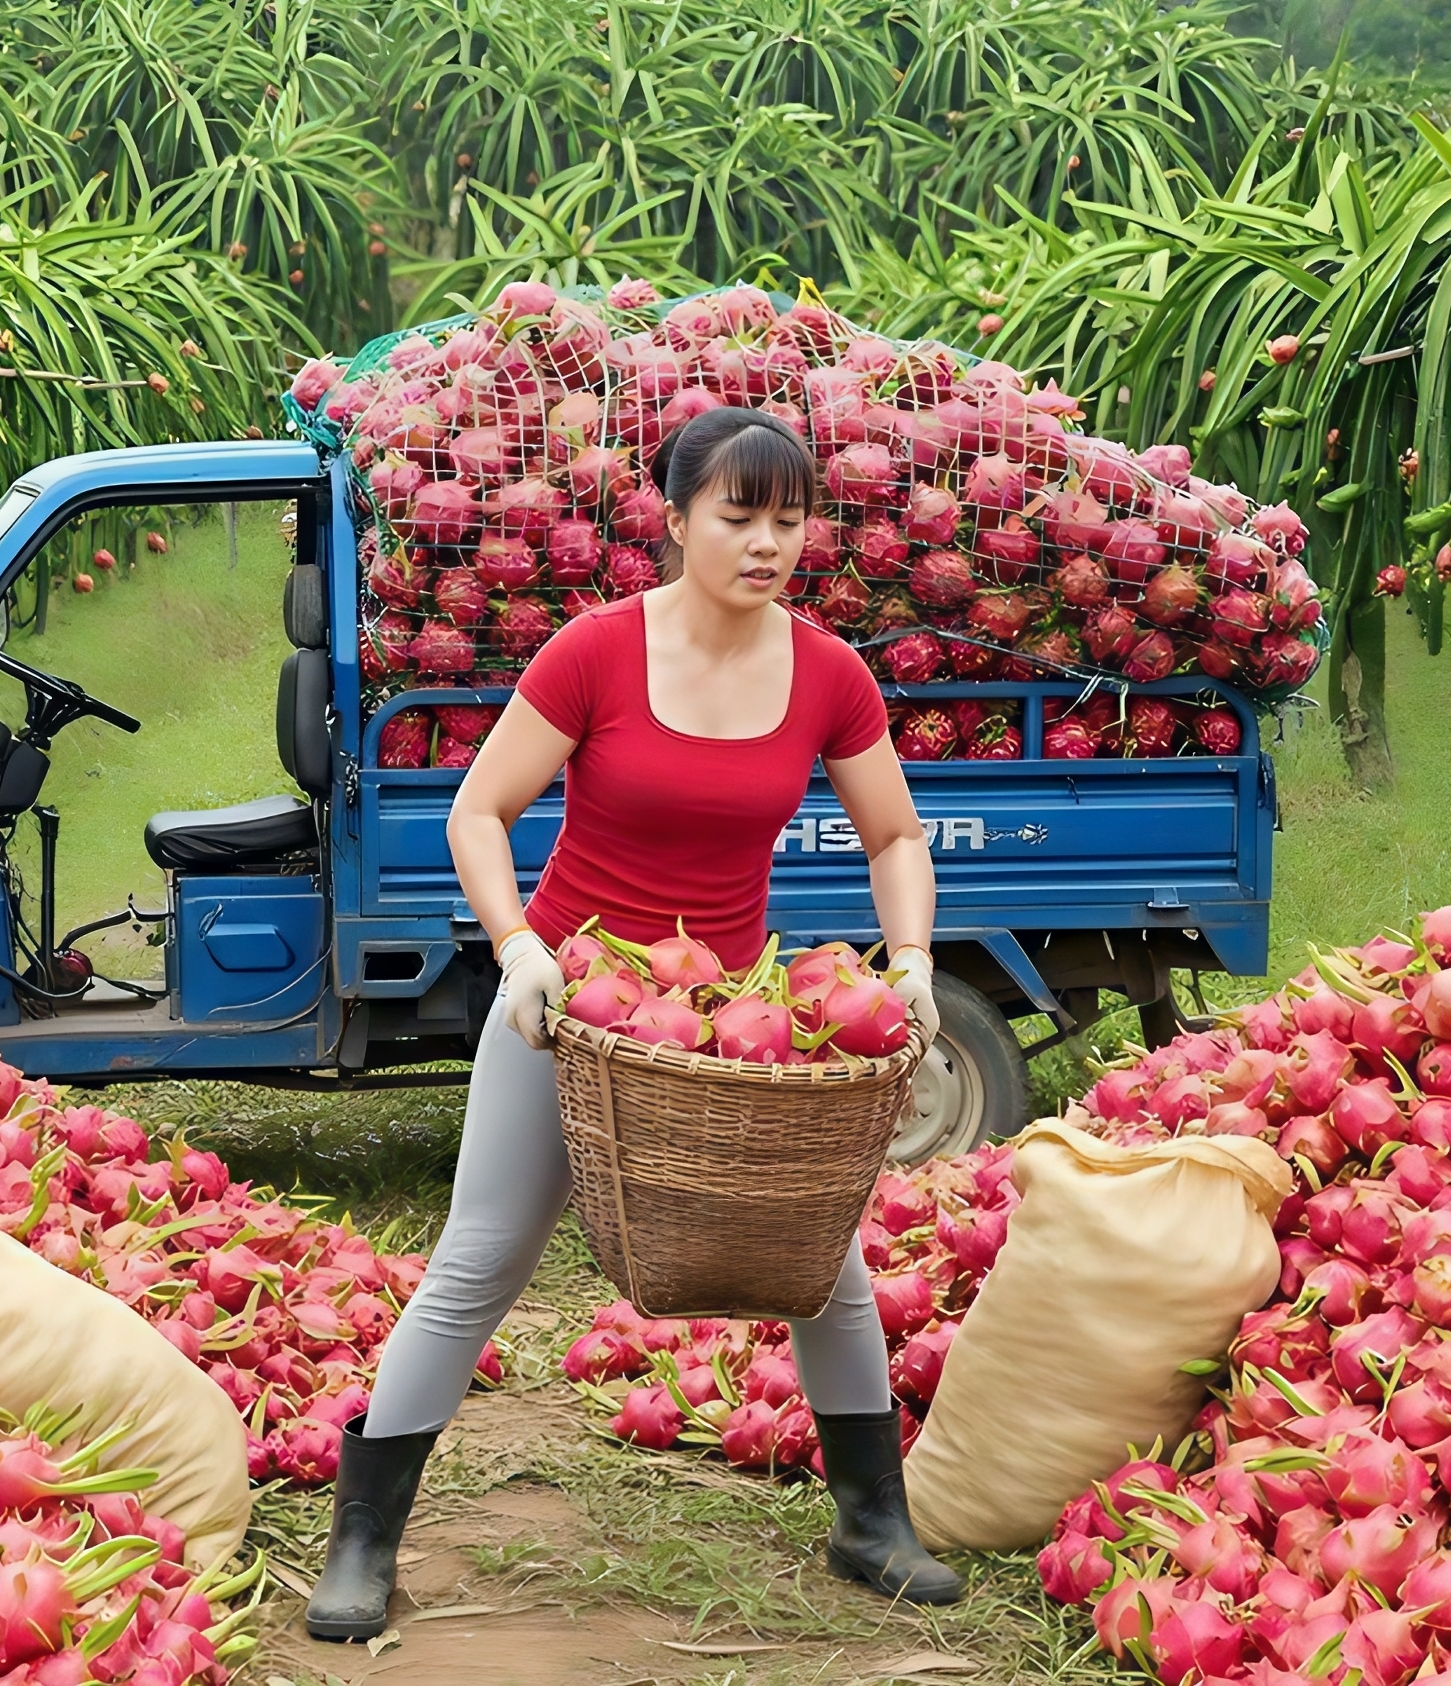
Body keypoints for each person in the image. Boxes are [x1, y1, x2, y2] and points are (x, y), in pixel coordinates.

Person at [306, 406, 961, 1642]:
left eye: (789, 520)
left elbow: (895, 835)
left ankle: (873, 1522)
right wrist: (516, 948)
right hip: (578, 1006)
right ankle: (364, 1540)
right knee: (479, 1261)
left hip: (730, 1020)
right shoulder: (597, 652)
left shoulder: (828, 672)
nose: (767, 544)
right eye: (738, 516)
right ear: (674, 519)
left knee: (820, 1266)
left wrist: (915, 957)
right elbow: (479, 812)